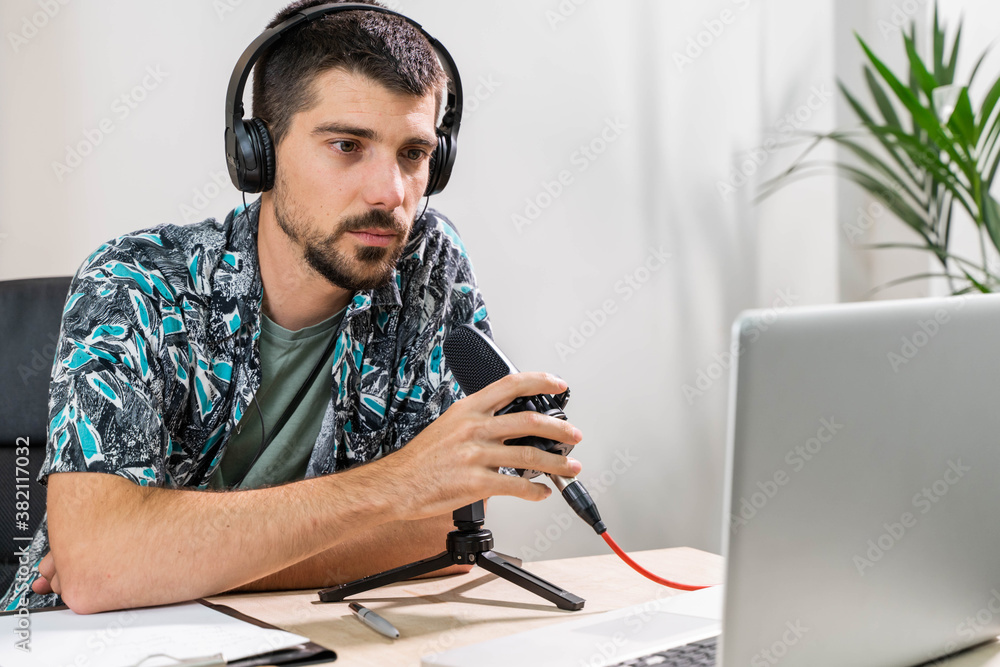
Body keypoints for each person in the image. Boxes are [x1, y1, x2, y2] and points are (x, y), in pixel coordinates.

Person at [1, 0, 582, 615]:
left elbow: (446, 531)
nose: (390, 193)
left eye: (413, 154)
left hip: (305, 634)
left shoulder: (427, 264)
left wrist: (161, 560)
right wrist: (396, 486)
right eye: (347, 144)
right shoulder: (134, 281)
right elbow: (100, 570)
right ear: (260, 152)